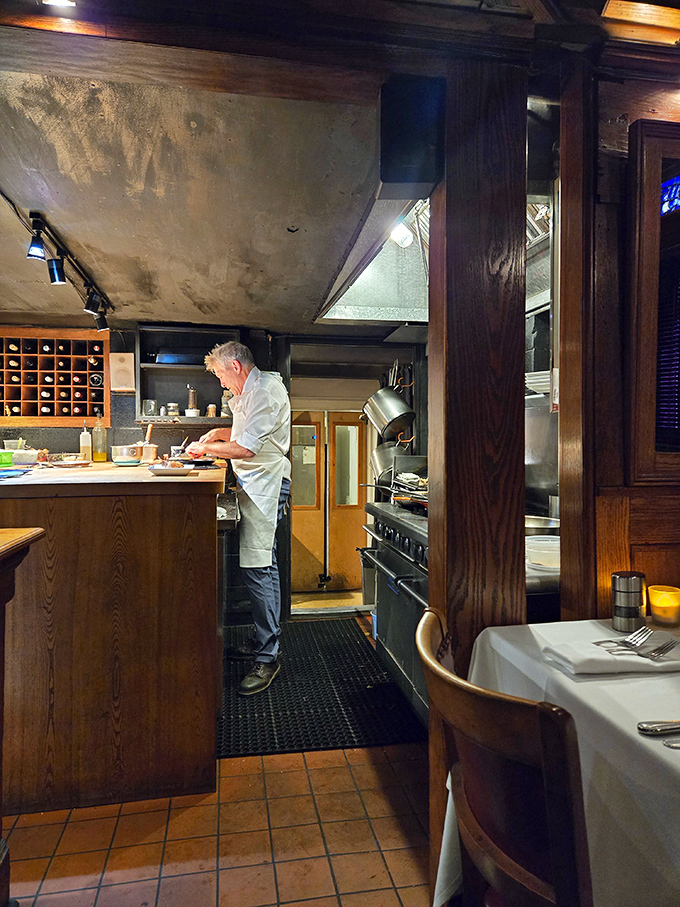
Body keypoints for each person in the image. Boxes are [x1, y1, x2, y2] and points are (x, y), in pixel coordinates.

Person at [186, 341, 291, 696]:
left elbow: (248, 449)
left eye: (219, 374)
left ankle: (268, 656)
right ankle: (266, 640)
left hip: (268, 485)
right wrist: (219, 433)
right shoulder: (249, 392)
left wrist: (205, 448)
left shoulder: (265, 391)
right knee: (262, 565)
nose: (220, 383)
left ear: (234, 365)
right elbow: (248, 437)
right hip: (254, 483)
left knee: (259, 566)